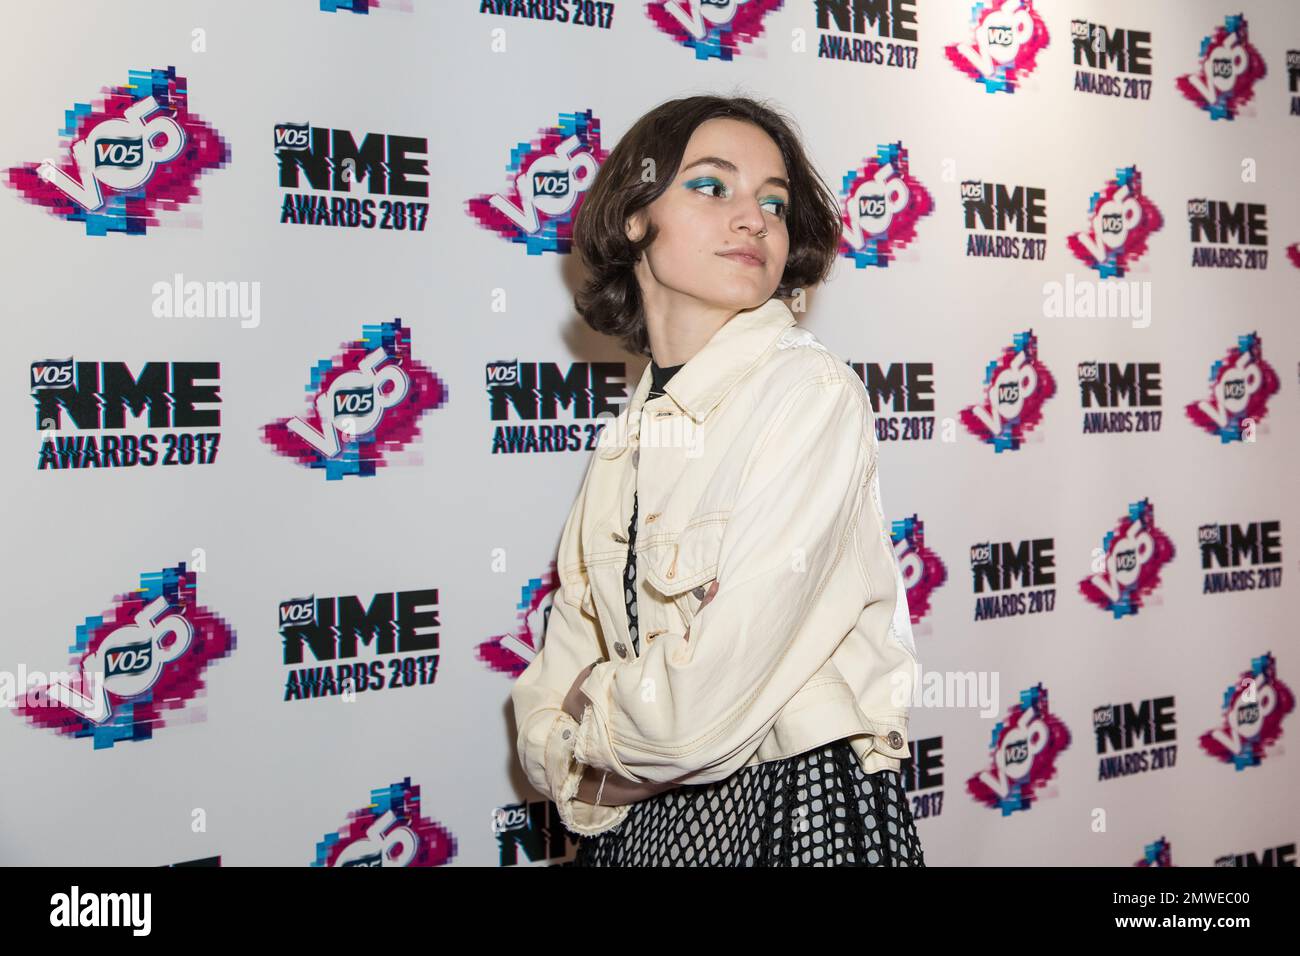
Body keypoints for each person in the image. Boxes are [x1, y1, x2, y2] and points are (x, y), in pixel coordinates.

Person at [511, 93, 925, 866]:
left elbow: (690, 720)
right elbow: (547, 691)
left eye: (774, 201)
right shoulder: (625, 440)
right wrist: (592, 746)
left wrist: (590, 736)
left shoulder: (807, 393)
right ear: (635, 216)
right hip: (639, 840)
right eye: (711, 186)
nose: (755, 219)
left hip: (794, 820)